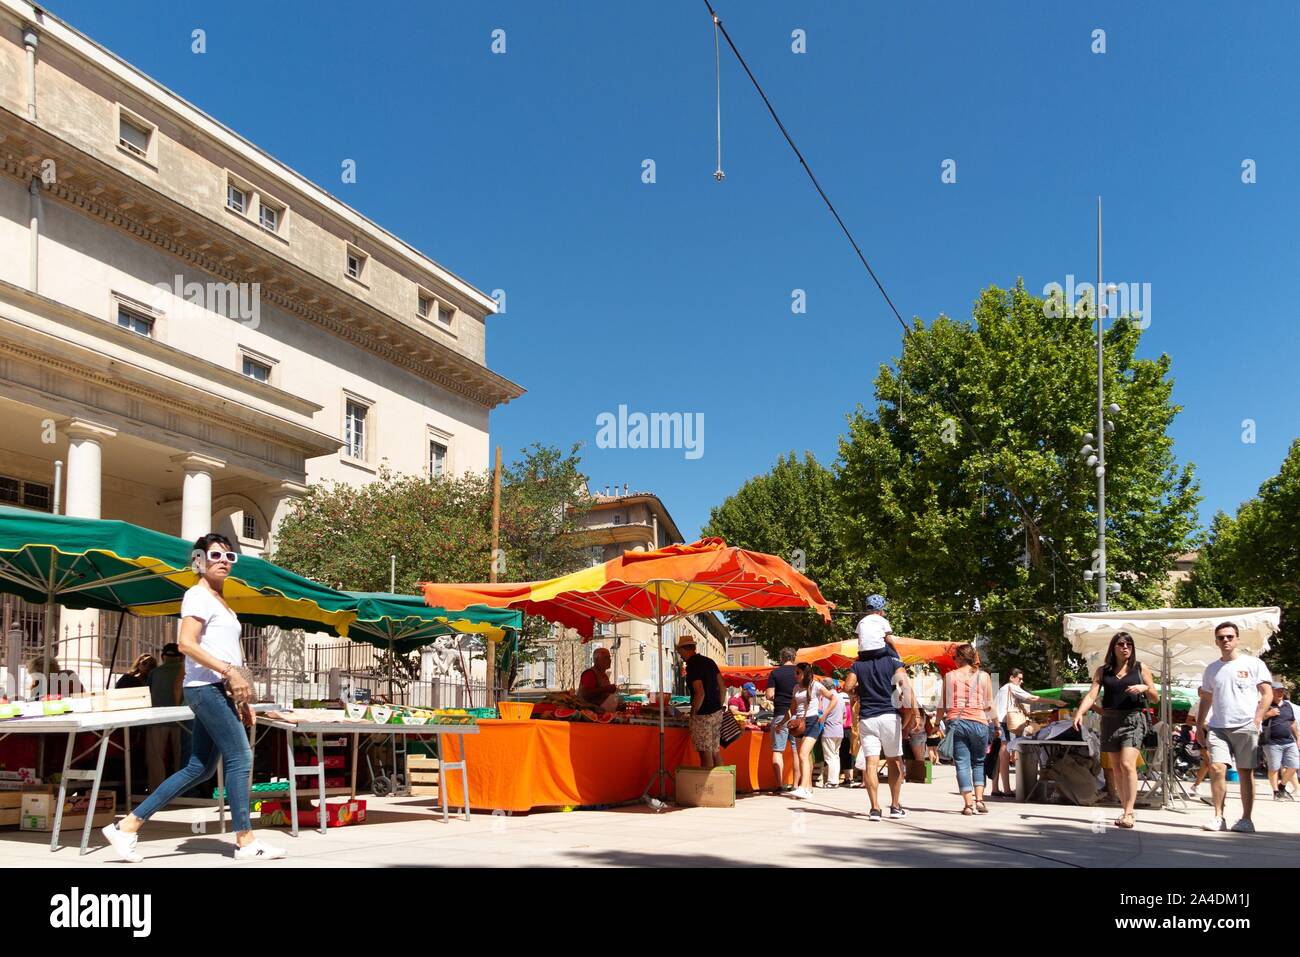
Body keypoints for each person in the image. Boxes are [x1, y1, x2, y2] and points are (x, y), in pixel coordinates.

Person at [101, 533, 285, 862]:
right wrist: (229, 673)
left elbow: (230, 653)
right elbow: (187, 645)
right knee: (240, 758)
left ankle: (127, 826)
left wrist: (244, 700)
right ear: (199, 560)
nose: (223, 562)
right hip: (206, 689)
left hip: (219, 690)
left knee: (199, 768)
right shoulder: (197, 596)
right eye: (215, 555)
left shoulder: (222, 602)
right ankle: (245, 841)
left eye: (230, 557)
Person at [1072, 631, 1157, 828]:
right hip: (1109, 720)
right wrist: (1080, 713)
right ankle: (1124, 807)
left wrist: (1144, 688)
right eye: (1121, 644)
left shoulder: (1140, 668)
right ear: (1113, 647)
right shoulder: (1103, 671)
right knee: (1116, 768)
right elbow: (1092, 695)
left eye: (1129, 644)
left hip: (1133, 719)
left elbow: (1155, 696)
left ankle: (1129, 812)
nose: (1125, 647)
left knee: (1128, 764)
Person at [1198, 621, 1273, 834]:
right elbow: (1206, 698)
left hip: (1244, 725)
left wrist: (1257, 718)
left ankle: (1246, 819)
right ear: (1216, 641)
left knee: (1245, 772)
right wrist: (1198, 724)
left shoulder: (1253, 664)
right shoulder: (1211, 669)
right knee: (1216, 768)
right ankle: (1218, 816)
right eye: (1221, 637)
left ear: (1237, 639)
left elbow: (1267, 693)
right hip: (1218, 726)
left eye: (1230, 637)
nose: (1226, 640)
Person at [844, 645, 918, 821]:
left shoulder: (858, 664)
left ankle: (875, 808)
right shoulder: (893, 661)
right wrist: (914, 713)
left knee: (871, 763)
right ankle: (894, 806)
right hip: (889, 718)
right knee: (894, 761)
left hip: (867, 718)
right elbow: (906, 687)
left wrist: (858, 692)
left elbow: (847, 687)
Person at [939, 644, 997, 815]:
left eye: (954, 658)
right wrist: (997, 724)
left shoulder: (949, 677)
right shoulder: (985, 676)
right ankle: (980, 800)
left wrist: (936, 725)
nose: (954, 661)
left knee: (962, 764)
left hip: (957, 723)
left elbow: (942, 704)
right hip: (980, 722)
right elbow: (989, 703)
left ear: (960, 657)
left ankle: (968, 805)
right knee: (979, 762)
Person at [991, 668, 1065, 797]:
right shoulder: (1011, 687)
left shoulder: (1004, 688)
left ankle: (996, 788)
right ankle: (1006, 789)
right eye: (1019, 678)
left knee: (999, 755)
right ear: (1011, 677)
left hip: (998, 722)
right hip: (1003, 722)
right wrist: (1054, 701)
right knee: (1004, 754)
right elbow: (1032, 698)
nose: (1021, 681)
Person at [146, 643, 188, 793]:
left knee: (155, 756)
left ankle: (156, 790)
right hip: (182, 718)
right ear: (182, 657)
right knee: (181, 756)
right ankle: (179, 789)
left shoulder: (155, 672)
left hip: (158, 718)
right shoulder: (185, 672)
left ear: (163, 656)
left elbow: (148, 693)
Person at [680, 636, 726, 769]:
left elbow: (700, 692)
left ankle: (708, 788)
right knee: (715, 752)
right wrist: (718, 707)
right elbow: (722, 687)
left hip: (703, 714)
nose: (680, 655)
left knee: (705, 754)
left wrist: (693, 713)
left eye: (680, 652)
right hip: (716, 712)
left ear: (684, 650)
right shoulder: (709, 662)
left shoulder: (693, 666)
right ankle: (721, 786)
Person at [765, 648, 799, 792]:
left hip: (780, 713)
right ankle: (797, 785)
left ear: (781, 658)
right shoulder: (799, 672)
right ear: (794, 657)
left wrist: (777, 696)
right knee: (796, 751)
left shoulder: (775, 673)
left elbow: (769, 694)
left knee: (778, 750)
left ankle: (779, 784)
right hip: (798, 715)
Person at [1263, 682, 1298, 801]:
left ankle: (1282, 786)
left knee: (1294, 765)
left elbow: (1292, 722)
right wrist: (1268, 714)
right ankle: (1276, 792)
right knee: (1274, 768)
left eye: (1282, 690)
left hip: (1289, 741)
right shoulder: (1265, 704)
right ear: (1271, 691)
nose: (1280, 693)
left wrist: (1298, 738)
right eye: (1278, 690)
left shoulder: (1287, 706)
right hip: (1272, 742)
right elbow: (1256, 718)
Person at [855, 594, 902, 659]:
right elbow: (888, 640)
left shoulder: (861, 621)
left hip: (863, 653)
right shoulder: (882, 620)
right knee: (894, 656)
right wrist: (897, 654)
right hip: (879, 650)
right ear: (881, 610)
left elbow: (859, 641)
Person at [579, 647, 619, 712]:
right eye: (606, 658)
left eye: (609, 658)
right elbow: (585, 694)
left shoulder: (604, 675)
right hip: (590, 713)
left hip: (602, 711)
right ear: (597, 660)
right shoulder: (589, 674)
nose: (609, 660)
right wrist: (605, 689)